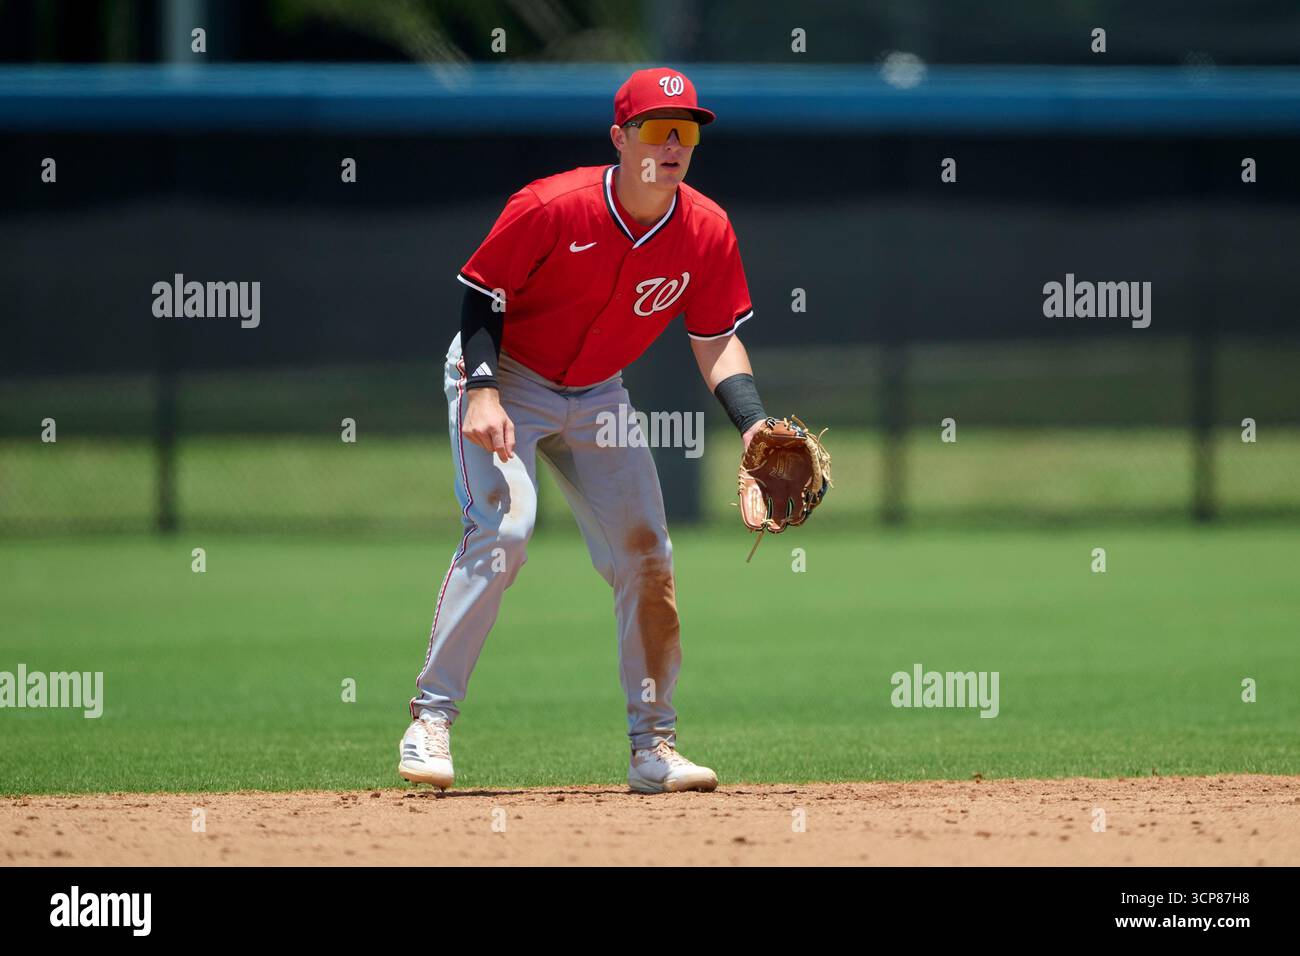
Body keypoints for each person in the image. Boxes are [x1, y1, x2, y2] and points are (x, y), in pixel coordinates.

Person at [399, 67, 770, 794]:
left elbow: (716, 339)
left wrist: (753, 425)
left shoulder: (705, 229)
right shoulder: (552, 205)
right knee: (505, 531)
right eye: (657, 129)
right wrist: (480, 389)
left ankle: (653, 747)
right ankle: (430, 719)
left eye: (685, 130)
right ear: (619, 138)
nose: (672, 144)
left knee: (648, 555)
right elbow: (481, 293)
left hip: (599, 395)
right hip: (504, 377)